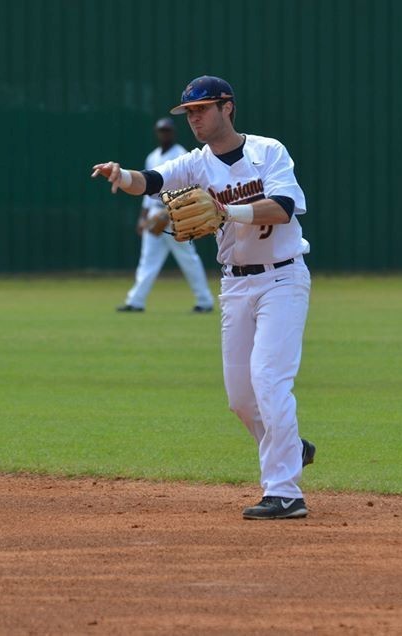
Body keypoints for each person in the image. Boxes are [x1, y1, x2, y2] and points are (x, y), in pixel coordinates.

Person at [92, 76, 316, 520]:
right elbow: (151, 181)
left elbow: (284, 207)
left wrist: (225, 210)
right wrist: (123, 175)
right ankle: (292, 447)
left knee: (269, 380)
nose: (193, 118)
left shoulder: (268, 151)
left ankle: (285, 492)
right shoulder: (196, 163)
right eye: (188, 112)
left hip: (282, 279)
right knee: (241, 399)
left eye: (202, 109)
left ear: (227, 108)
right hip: (235, 285)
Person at [117, 118, 215, 314]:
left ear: (173, 133)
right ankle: (136, 301)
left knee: (188, 258)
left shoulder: (180, 154)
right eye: (161, 131)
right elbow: (147, 192)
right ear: (157, 133)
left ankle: (204, 301)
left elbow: (189, 187)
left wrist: (167, 211)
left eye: (167, 131)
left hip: (176, 214)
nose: (164, 134)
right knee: (147, 259)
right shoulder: (152, 156)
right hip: (154, 215)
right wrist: (142, 217)